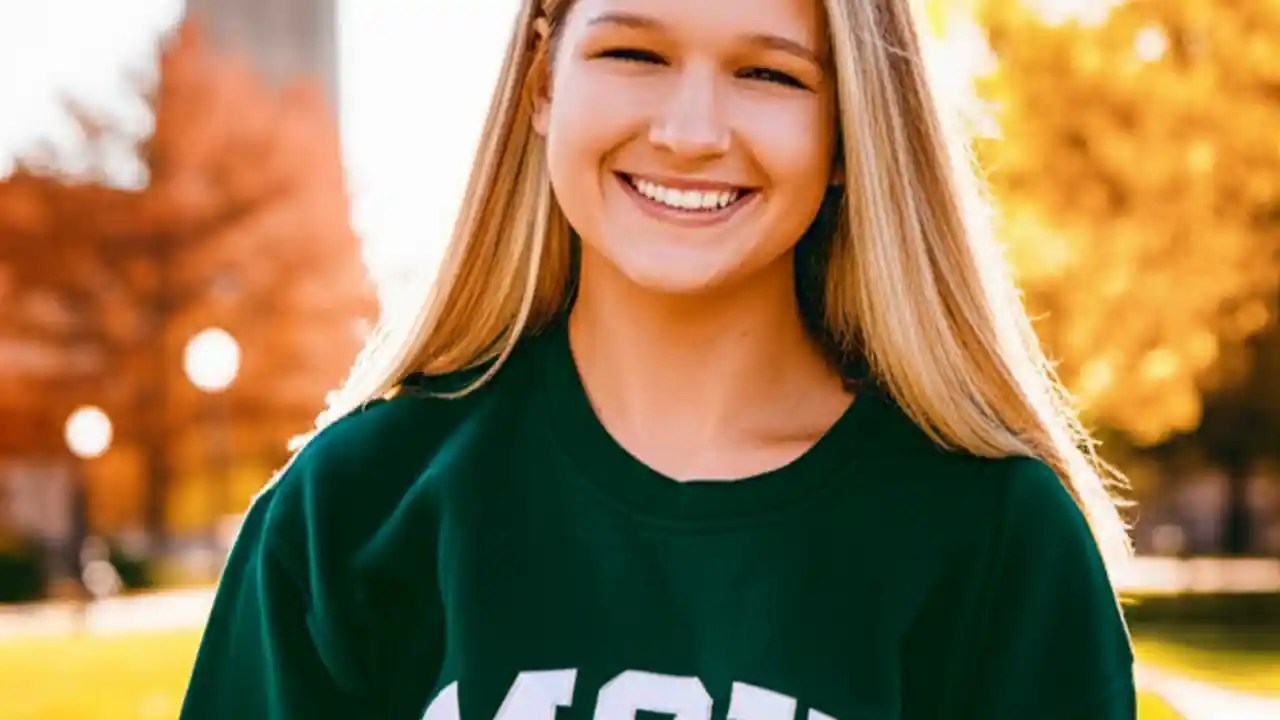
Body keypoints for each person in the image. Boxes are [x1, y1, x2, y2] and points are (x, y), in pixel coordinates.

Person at [179, 0, 1137, 717]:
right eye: (634, 52)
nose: (688, 132)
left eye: (769, 75)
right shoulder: (351, 510)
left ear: (848, 131)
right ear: (542, 81)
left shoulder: (996, 541)